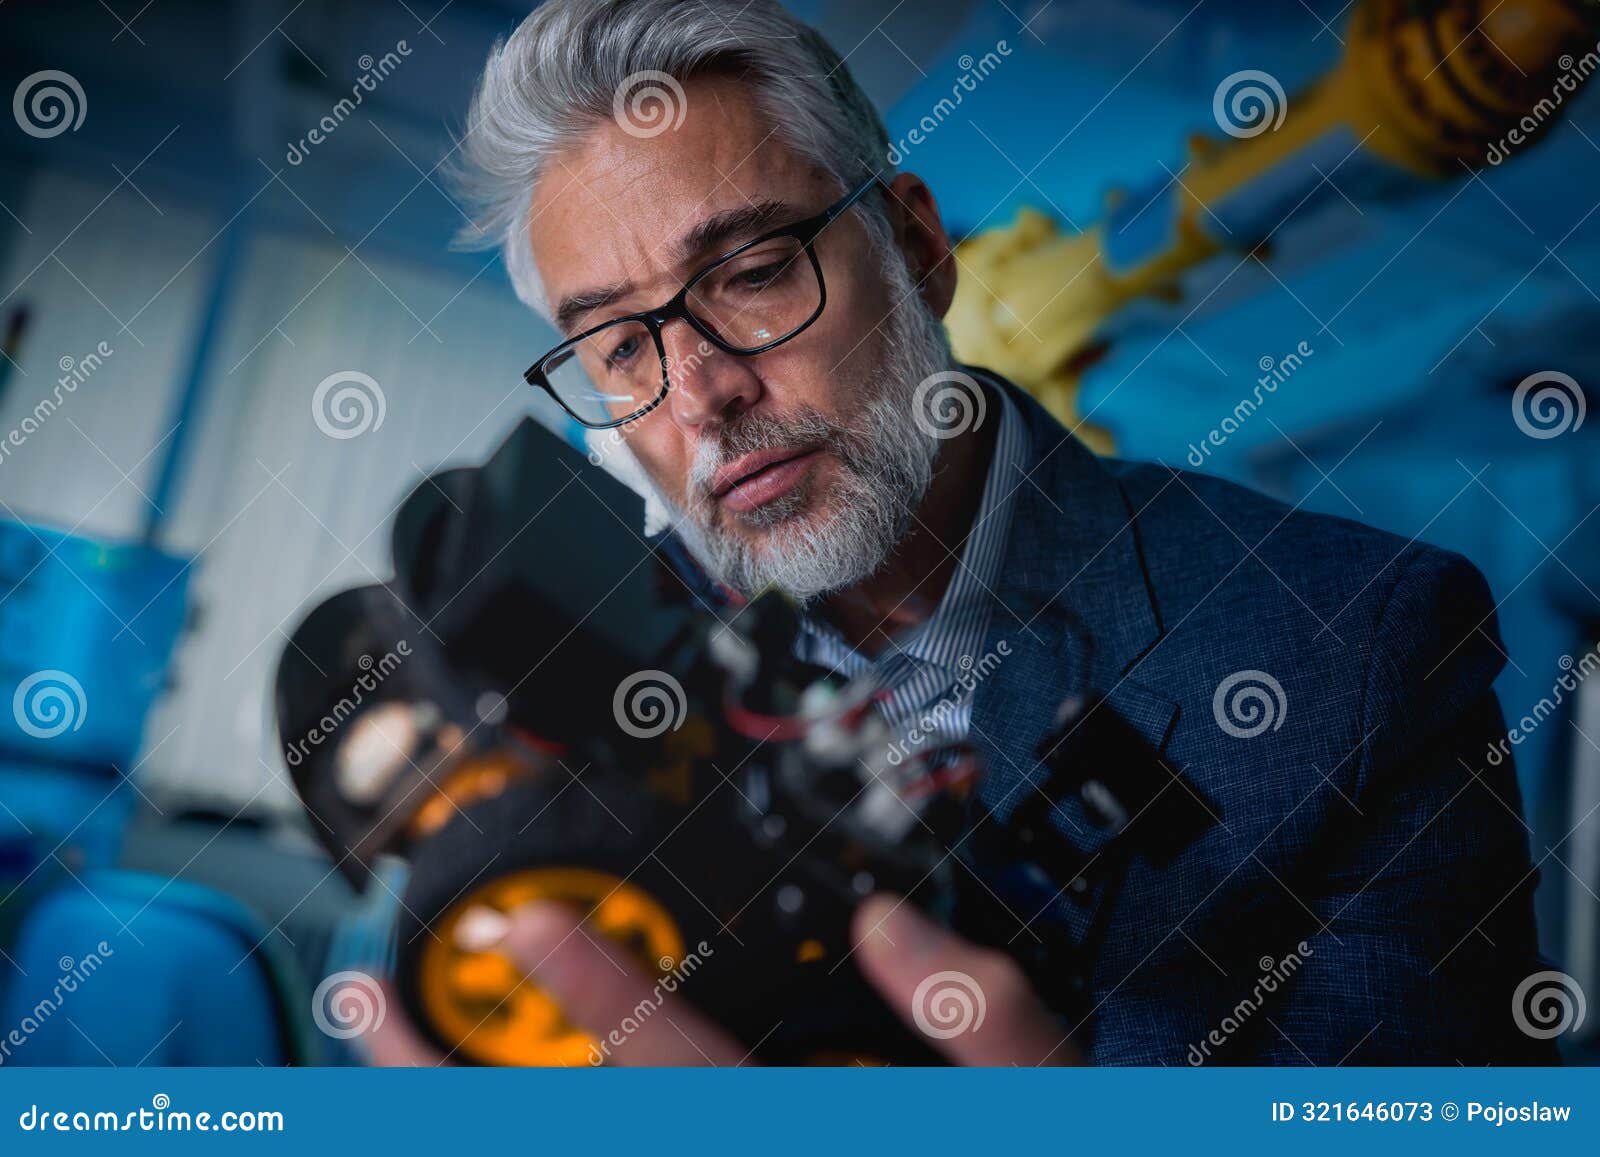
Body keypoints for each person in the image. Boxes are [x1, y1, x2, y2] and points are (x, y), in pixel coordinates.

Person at [365, 0, 1554, 1066]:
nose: (699, 393)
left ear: (916, 247)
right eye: (620, 346)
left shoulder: (1356, 651)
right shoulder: (559, 716)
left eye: (755, 272)